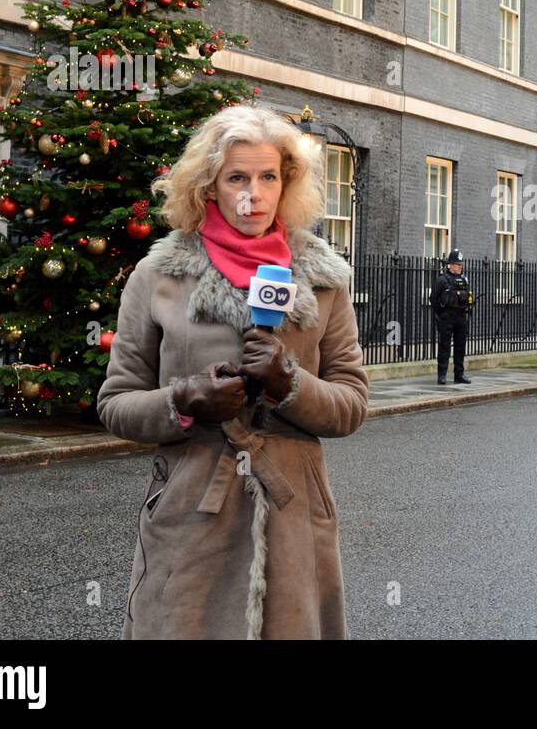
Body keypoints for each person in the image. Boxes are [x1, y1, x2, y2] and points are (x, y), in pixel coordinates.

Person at [97, 104, 370, 639]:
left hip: (293, 518)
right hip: (190, 513)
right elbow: (116, 402)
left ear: (286, 183)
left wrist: (289, 383)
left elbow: (352, 404)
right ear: (209, 187)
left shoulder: (324, 280)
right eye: (237, 177)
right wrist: (181, 401)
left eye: (268, 177)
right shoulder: (158, 276)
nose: (254, 194)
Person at [429, 248, 474, 384]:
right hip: (447, 317)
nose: (460, 267)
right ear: (450, 265)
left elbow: (469, 297)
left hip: (460, 316)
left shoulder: (463, 280)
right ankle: (442, 375)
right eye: (457, 264)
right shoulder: (442, 280)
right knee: (445, 347)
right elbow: (433, 299)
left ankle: (459, 374)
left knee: (460, 346)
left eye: (461, 264)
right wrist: (441, 313)